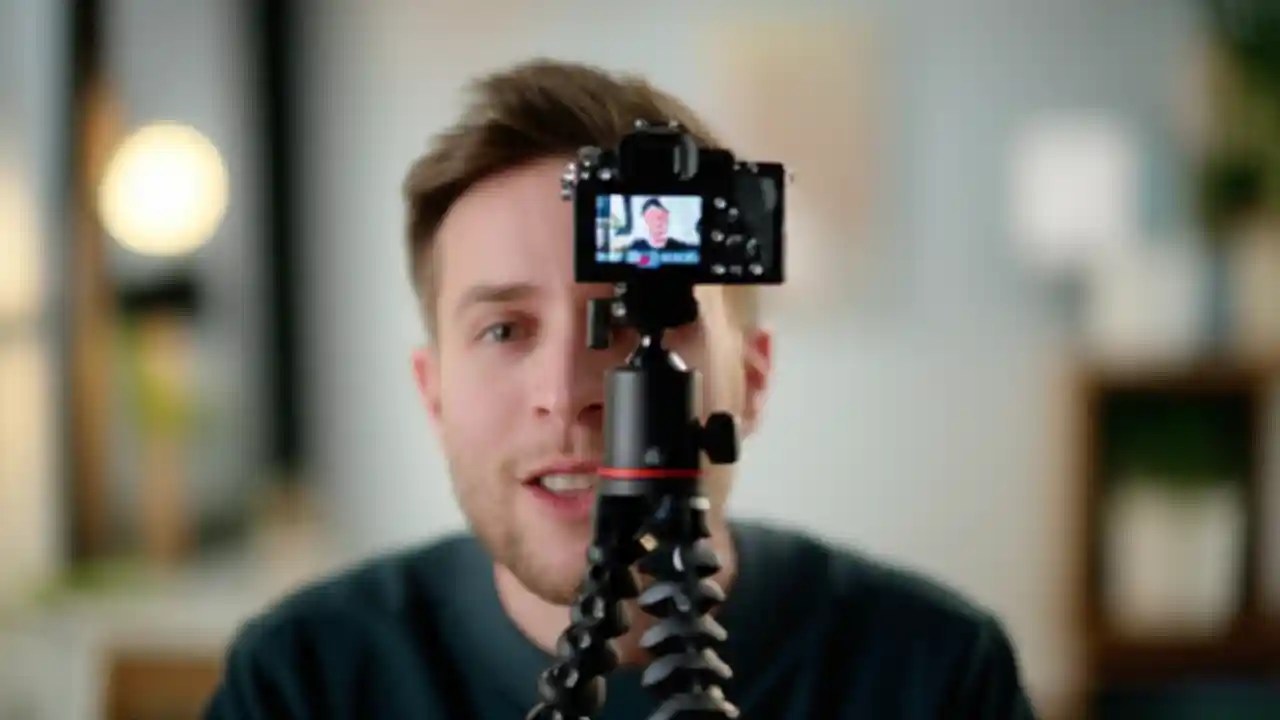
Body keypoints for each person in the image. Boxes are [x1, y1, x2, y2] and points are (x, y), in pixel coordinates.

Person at [203, 58, 1038, 719]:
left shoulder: (935, 677)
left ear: (751, 380)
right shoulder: (301, 683)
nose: (567, 392)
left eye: (637, 318)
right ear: (434, 396)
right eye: (505, 329)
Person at [628, 198, 697, 253]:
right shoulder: (637, 246)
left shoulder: (677, 247)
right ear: (646, 221)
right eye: (652, 218)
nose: (659, 223)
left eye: (662, 218)